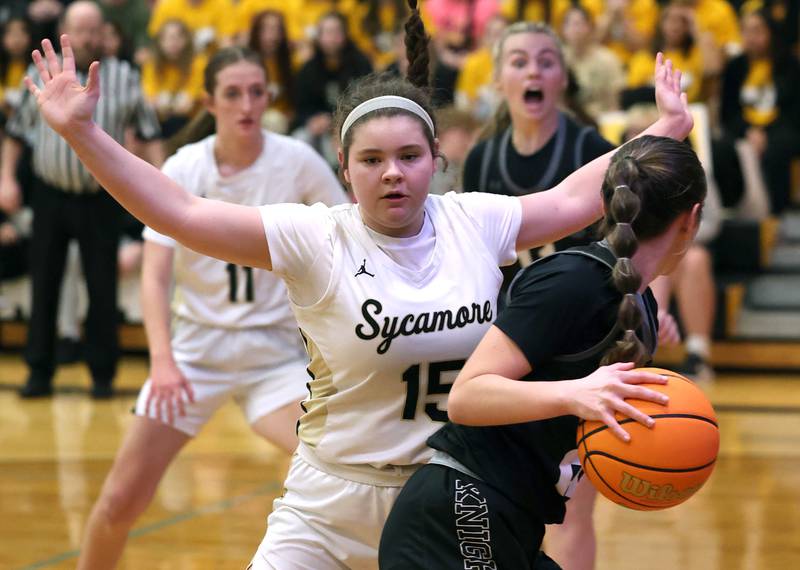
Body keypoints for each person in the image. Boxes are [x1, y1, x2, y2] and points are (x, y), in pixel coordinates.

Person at [22, 0, 692, 565]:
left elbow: (579, 197)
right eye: (372, 160)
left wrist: (665, 129)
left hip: (446, 497)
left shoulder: (475, 220)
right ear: (344, 167)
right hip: (328, 499)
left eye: (408, 157)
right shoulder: (316, 235)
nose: (392, 173)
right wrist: (82, 134)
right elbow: (182, 212)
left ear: (436, 159)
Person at [379, 134, 708, 570]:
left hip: (515, 518)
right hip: (459, 511)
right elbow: (466, 397)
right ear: (692, 219)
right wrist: (575, 393)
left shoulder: (639, 303)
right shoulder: (573, 280)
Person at [76, 46, 347, 570]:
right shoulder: (185, 165)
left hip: (276, 359)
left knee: (333, 470)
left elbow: (347, 237)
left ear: (269, 97)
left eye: (257, 92)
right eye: (233, 93)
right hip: (194, 357)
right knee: (119, 500)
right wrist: (162, 362)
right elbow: (154, 276)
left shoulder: (297, 160)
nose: (247, 104)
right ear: (210, 101)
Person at [0, 1, 163, 399]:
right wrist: (6, 177)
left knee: (102, 286)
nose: (88, 37)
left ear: (105, 31)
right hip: (50, 193)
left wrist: (161, 182)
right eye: (80, 29)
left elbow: (149, 130)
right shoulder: (40, 72)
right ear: (64, 30)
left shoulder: (126, 76)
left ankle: (102, 376)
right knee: (45, 284)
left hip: (101, 197)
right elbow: (17, 133)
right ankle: (38, 371)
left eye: (94, 30)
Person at [462, 21, 615, 291]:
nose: (533, 72)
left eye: (545, 63)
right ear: (497, 79)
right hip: (507, 316)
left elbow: (630, 239)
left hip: (585, 313)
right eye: (519, 63)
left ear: (564, 78)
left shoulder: (594, 151)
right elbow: (474, 261)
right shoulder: (480, 160)